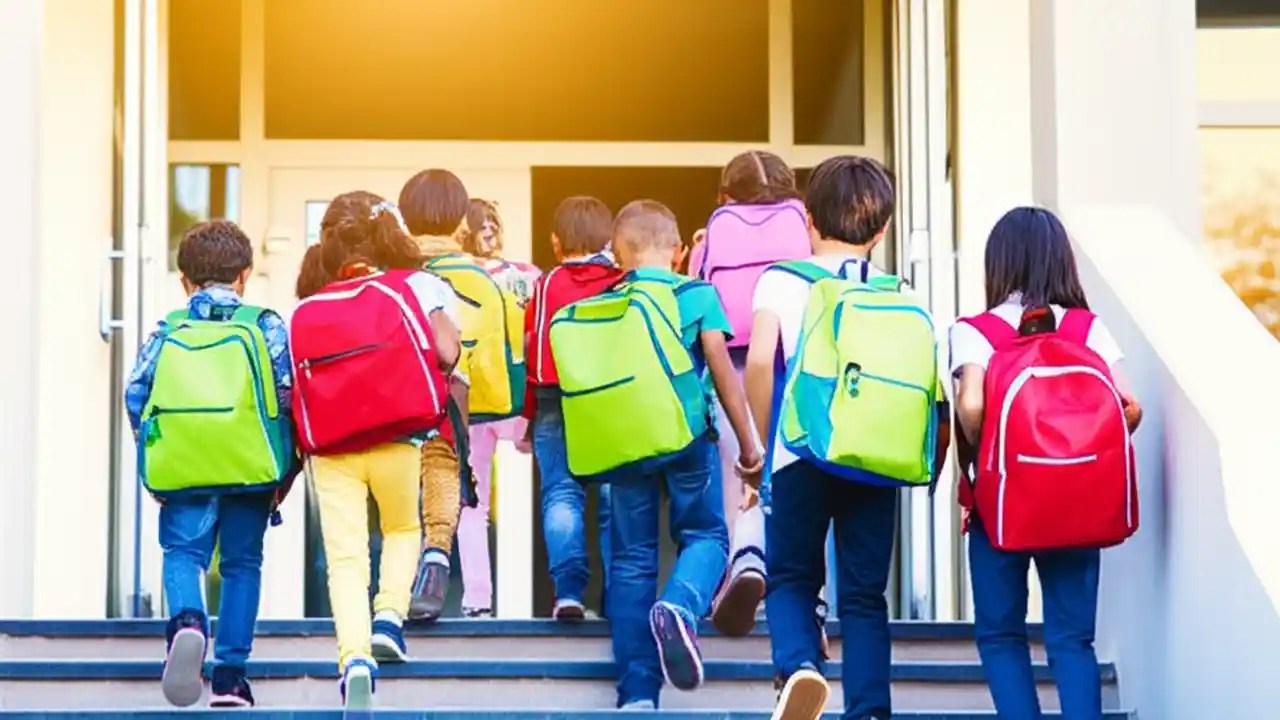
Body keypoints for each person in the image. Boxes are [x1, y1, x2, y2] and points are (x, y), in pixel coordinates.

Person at [746, 156, 932, 720]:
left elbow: (758, 362)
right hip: (876, 458)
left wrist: (757, 444)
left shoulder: (781, 279)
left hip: (799, 452)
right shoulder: (900, 290)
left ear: (807, 219)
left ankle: (800, 664)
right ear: (882, 230)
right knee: (864, 596)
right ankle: (871, 708)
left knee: (792, 577)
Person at [949, 207, 1142, 719]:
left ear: (999, 264)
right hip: (1078, 503)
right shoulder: (1087, 329)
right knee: (1073, 639)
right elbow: (1130, 406)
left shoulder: (976, 331)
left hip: (999, 503)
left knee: (1000, 634)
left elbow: (970, 405)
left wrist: (985, 448)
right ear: (1062, 261)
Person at [299, 191, 461, 708]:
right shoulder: (408, 288)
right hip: (397, 434)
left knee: (344, 558)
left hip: (332, 448)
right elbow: (447, 352)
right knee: (402, 528)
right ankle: (390, 617)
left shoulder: (308, 305)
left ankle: (354, 659)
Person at [125, 220, 297, 708]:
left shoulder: (169, 330)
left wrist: (152, 456)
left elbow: (136, 394)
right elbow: (286, 396)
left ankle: (188, 622)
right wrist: (284, 467)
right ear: (245, 276)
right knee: (242, 564)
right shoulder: (264, 324)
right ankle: (230, 678)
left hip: (184, 466)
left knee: (184, 554)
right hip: (248, 467)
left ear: (184, 281)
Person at [606, 200, 761, 710]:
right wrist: (749, 447)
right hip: (689, 440)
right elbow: (722, 373)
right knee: (707, 536)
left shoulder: (609, 299)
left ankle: (637, 694)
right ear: (677, 252)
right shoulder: (696, 294)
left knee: (630, 561)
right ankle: (679, 605)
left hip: (627, 443)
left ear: (618, 252)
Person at [690, 150, 808, 636]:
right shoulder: (805, 225)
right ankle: (802, 594)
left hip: (731, 367)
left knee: (736, 476)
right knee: (797, 483)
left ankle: (740, 568)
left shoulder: (715, 229)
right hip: (796, 364)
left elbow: (695, 298)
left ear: (725, 194)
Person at [522, 196, 623, 619]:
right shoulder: (623, 281)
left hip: (553, 401)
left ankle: (568, 592)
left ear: (555, 242)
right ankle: (620, 595)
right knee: (615, 497)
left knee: (561, 496)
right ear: (610, 240)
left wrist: (527, 419)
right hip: (614, 401)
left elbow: (530, 350)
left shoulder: (545, 286)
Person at [455, 198, 541, 617]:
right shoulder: (527, 277)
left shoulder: (449, 280)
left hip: (470, 400)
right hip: (520, 395)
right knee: (558, 490)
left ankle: (476, 600)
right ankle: (565, 590)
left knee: (471, 503)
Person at [397, 169, 476, 621]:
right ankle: (437, 554)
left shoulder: (396, 273)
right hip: (443, 394)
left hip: (394, 398)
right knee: (443, 464)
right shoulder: (474, 276)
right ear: (460, 219)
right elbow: (460, 360)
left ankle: (395, 583)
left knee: (399, 490)